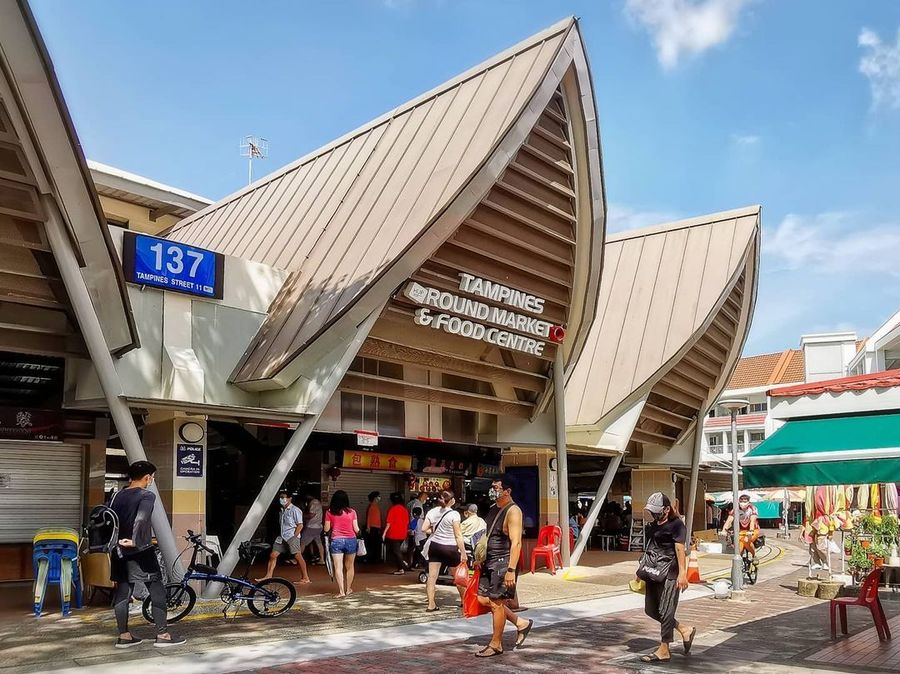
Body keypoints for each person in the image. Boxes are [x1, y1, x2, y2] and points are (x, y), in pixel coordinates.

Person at [109, 460, 185, 648]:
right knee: (157, 589)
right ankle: (163, 635)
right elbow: (142, 518)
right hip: (140, 550)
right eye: (152, 477)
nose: (152, 480)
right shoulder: (146, 495)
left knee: (123, 591)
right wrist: (135, 540)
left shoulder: (116, 495)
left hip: (117, 550)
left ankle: (124, 636)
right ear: (147, 477)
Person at [474, 475, 532, 658]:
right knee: (483, 599)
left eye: (497, 487)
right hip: (488, 562)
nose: (493, 490)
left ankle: (496, 644)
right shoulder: (493, 509)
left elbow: (516, 543)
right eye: (493, 487)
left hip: (502, 563)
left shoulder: (513, 511)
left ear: (507, 491)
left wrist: (511, 570)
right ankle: (520, 622)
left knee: (496, 603)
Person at [638, 492, 696, 664]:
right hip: (653, 571)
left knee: (666, 610)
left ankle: (664, 649)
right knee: (651, 610)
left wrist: (683, 574)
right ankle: (684, 629)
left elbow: (680, 550)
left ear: (667, 509)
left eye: (657, 511)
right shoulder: (654, 524)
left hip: (670, 572)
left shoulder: (677, 525)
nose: (654, 514)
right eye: (652, 511)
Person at [421, 489, 468, 612]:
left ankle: (431, 604)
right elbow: (458, 535)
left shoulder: (432, 512)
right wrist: (463, 552)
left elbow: (424, 528)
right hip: (450, 548)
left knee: (432, 577)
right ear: (451, 501)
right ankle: (464, 601)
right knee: (458, 577)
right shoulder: (454, 515)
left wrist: (435, 532)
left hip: (435, 546)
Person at [258, 490, 310, 583]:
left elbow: (300, 525)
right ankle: (268, 576)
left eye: (284, 497)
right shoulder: (281, 510)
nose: (282, 499)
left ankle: (305, 577)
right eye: (280, 497)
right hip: (282, 536)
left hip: (292, 536)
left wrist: (294, 537)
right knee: (273, 555)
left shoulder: (295, 510)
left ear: (290, 498)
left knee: (297, 556)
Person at [323, 490, 360, 597]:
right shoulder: (352, 512)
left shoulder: (329, 512)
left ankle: (341, 591)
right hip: (351, 540)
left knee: (338, 567)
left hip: (336, 541)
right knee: (350, 566)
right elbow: (356, 529)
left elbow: (326, 528)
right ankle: (348, 589)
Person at [721, 492, 760, 559]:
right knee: (739, 544)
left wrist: (750, 531)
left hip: (753, 530)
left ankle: (754, 556)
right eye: (741, 501)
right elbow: (729, 520)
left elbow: (752, 521)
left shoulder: (753, 508)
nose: (743, 503)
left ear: (748, 501)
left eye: (745, 501)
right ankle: (739, 560)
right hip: (741, 530)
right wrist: (724, 530)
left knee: (746, 540)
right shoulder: (735, 509)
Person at [383, 492, 411, 575]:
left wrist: (384, 533)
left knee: (396, 551)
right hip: (402, 534)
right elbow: (406, 522)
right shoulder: (404, 510)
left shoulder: (392, 509)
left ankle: (402, 567)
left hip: (393, 533)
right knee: (396, 550)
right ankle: (402, 564)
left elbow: (389, 522)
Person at [299, 492, 325, 565]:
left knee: (302, 543)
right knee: (319, 543)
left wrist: (302, 515)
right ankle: (322, 559)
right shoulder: (318, 502)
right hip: (318, 527)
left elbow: (311, 515)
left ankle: (297, 559)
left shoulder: (314, 502)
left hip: (312, 527)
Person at [365, 491, 383, 563]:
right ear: (375, 498)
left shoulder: (375, 506)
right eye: (378, 496)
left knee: (376, 544)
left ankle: (375, 558)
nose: (379, 498)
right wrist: (368, 527)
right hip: (373, 528)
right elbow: (368, 517)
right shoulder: (372, 506)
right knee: (374, 544)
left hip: (376, 527)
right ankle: (373, 559)